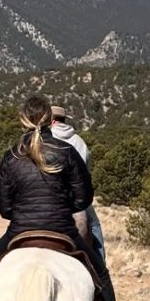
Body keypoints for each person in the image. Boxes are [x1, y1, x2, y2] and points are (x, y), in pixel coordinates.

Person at [0, 96, 128, 301]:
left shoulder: (12, 156)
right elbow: (84, 199)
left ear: (23, 119)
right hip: (63, 231)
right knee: (100, 273)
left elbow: (4, 208)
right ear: (49, 119)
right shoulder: (67, 152)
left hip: (20, 232)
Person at [48, 104, 105, 263]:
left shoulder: (42, 139)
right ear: (63, 120)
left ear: (50, 120)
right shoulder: (79, 141)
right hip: (74, 198)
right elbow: (86, 172)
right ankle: (100, 269)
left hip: (46, 194)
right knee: (94, 228)